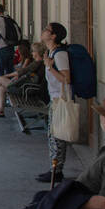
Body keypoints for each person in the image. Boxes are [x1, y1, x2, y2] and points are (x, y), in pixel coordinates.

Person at [38, 21, 73, 182]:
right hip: (55, 98)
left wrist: (50, 67)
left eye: (47, 30)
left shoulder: (59, 54)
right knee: (53, 136)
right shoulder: (51, 53)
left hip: (61, 99)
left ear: (53, 36)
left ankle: (57, 170)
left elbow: (66, 79)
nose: (43, 31)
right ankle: (54, 168)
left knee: (57, 137)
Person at [0, 41, 43, 116]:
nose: (32, 53)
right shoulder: (38, 63)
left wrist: (6, 76)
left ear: (37, 52)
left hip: (26, 89)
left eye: (33, 51)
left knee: (1, 79)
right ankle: (0, 110)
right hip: (26, 87)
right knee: (2, 87)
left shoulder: (36, 63)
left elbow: (21, 72)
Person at [0, 3, 15, 84]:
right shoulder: (8, 18)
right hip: (10, 46)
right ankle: (10, 89)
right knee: (9, 69)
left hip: (1, 47)